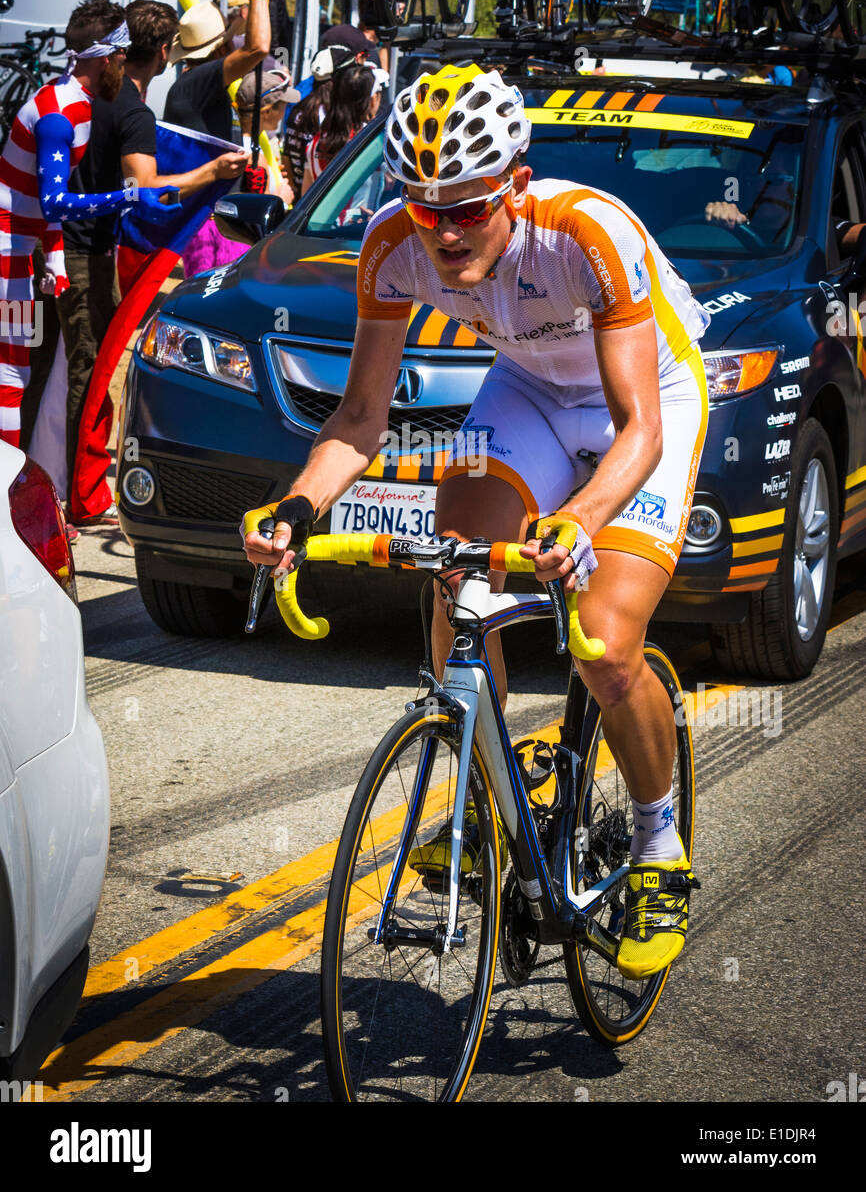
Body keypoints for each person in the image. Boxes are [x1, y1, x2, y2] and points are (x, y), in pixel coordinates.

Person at [243, 63, 710, 982]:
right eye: (426, 208)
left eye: (468, 207)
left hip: (646, 399)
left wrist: (578, 518)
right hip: (524, 392)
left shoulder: (585, 232)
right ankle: (486, 798)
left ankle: (659, 849)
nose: (447, 231)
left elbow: (641, 429)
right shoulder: (391, 247)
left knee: (605, 646)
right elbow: (359, 419)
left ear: (517, 186)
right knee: (457, 577)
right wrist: (298, 507)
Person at [52, 0, 248, 524]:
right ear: (163, 52)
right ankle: (81, 496)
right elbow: (148, 191)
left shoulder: (84, 95)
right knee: (90, 375)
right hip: (85, 253)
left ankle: (58, 484)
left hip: (54, 247)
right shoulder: (132, 111)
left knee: (58, 370)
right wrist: (211, 173)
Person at [0, 0, 179, 451]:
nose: (126, 59)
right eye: (121, 53)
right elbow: (55, 203)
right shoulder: (60, 114)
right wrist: (130, 195)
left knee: (23, 369)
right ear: (106, 57)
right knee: (12, 374)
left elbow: (44, 213)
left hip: (26, 255)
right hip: (9, 257)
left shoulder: (73, 102)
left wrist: (55, 261)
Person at [166, 0, 276, 276]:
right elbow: (258, 48)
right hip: (204, 221)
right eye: (227, 44)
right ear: (216, 51)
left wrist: (245, 182)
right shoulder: (195, 82)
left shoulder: (197, 87)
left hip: (215, 215)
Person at [301, 62, 378, 193]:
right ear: (370, 101)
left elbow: (305, 194)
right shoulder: (372, 143)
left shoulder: (315, 143)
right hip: (364, 213)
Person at [235, 67, 299, 207]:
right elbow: (256, 212)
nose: (284, 112)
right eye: (283, 105)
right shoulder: (255, 158)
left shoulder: (235, 143)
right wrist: (282, 200)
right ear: (268, 111)